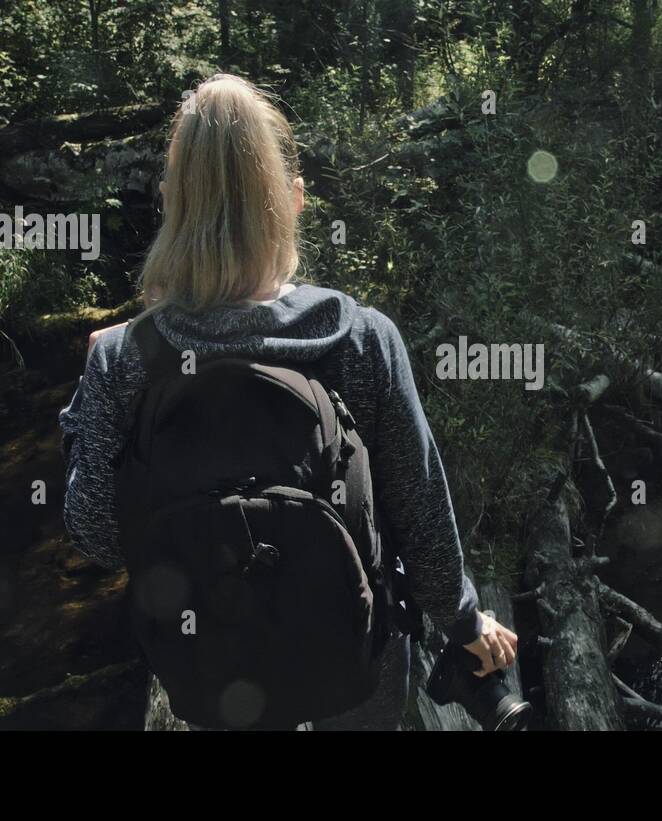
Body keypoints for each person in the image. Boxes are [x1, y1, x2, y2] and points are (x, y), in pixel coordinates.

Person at [58, 74, 516, 730]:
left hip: (214, 662)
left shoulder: (123, 357)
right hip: (355, 657)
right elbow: (421, 516)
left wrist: (85, 401)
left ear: (170, 203)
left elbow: (99, 535)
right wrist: (467, 621)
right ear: (293, 201)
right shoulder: (359, 337)